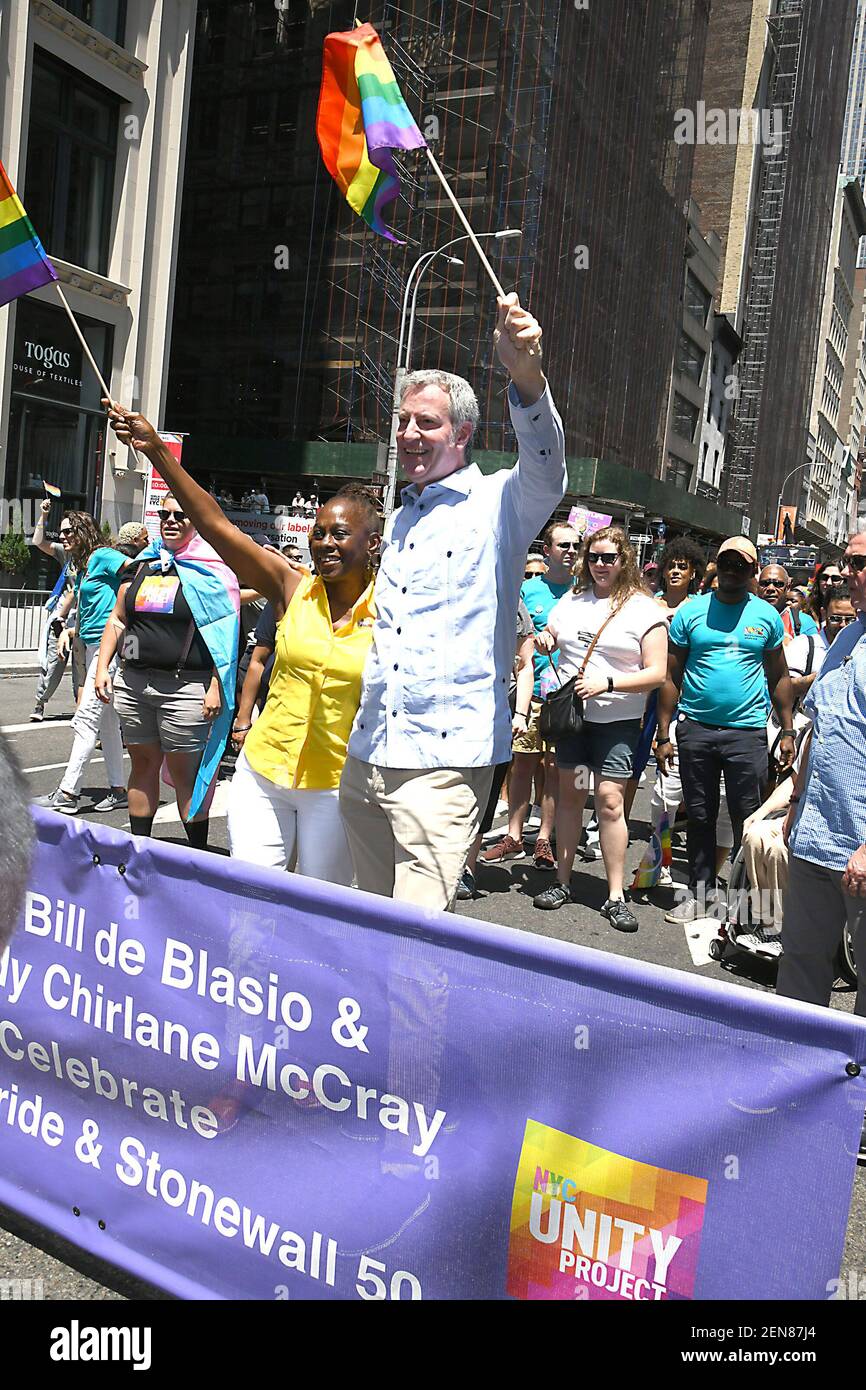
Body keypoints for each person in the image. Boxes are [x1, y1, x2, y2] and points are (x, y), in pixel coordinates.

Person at [339, 293, 566, 910]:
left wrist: (525, 377)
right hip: (367, 756)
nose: (411, 434)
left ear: (462, 433)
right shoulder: (400, 516)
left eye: (428, 423)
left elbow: (547, 472)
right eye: (404, 420)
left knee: (415, 948)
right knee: (363, 927)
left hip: (442, 764)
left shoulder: (500, 504)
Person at [105, 395, 382, 883]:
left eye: (339, 534)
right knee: (252, 896)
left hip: (335, 784)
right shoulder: (289, 585)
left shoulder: (391, 610)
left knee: (319, 909)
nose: (325, 543)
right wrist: (157, 453)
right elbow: (214, 524)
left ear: (371, 543)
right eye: (318, 533)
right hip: (263, 771)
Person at [532, 527, 669, 930]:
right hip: (575, 722)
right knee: (571, 797)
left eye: (609, 557)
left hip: (617, 724)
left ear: (624, 559)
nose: (601, 565)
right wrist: (545, 640)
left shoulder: (645, 610)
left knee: (610, 802)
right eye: (594, 557)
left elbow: (657, 674)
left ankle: (614, 895)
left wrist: (607, 683)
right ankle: (563, 880)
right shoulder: (574, 601)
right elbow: (554, 635)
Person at [657, 536, 795, 923]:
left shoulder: (766, 616)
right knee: (699, 815)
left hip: (747, 733)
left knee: (747, 819)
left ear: (753, 570)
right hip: (696, 729)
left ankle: (744, 901)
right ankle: (700, 895)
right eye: (727, 563)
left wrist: (786, 731)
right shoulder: (691, 613)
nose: (734, 570)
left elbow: (779, 674)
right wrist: (664, 733)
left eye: (742, 564)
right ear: (718, 567)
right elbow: (671, 676)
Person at [93, 496, 238, 849]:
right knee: (142, 764)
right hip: (134, 683)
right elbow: (119, 620)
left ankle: (196, 858)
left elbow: (226, 633)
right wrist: (103, 668)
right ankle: (139, 851)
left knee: (183, 773)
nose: (171, 520)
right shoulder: (142, 565)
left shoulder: (212, 570)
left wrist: (217, 685)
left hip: (185, 688)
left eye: (180, 514)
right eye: (164, 514)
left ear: (197, 521)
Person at [483, 524, 579, 871]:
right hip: (530, 694)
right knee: (521, 766)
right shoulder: (527, 590)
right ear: (547, 549)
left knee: (554, 769)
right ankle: (513, 835)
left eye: (574, 545)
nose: (570, 550)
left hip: (565, 697)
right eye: (563, 545)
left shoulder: (582, 594)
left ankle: (543, 839)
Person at [33, 513, 135, 814]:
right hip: (90, 644)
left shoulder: (104, 556)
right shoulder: (82, 563)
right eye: (61, 532)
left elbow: (137, 570)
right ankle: (118, 790)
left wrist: (128, 617)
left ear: (82, 531)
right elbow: (90, 605)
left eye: (68, 531)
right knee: (107, 723)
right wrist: (69, 629)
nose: (63, 536)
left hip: (111, 648)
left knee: (86, 717)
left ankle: (68, 792)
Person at [457, 597, 536, 900]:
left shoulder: (512, 603)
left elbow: (526, 664)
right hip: (449, 712)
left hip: (495, 717)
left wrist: (521, 713)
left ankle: (467, 869)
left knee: (484, 795)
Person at [757, 563, 818, 641]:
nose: (771, 588)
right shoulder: (745, 616)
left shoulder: (805, 623)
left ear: (788, 588)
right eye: (765, 583)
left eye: (778, 584)